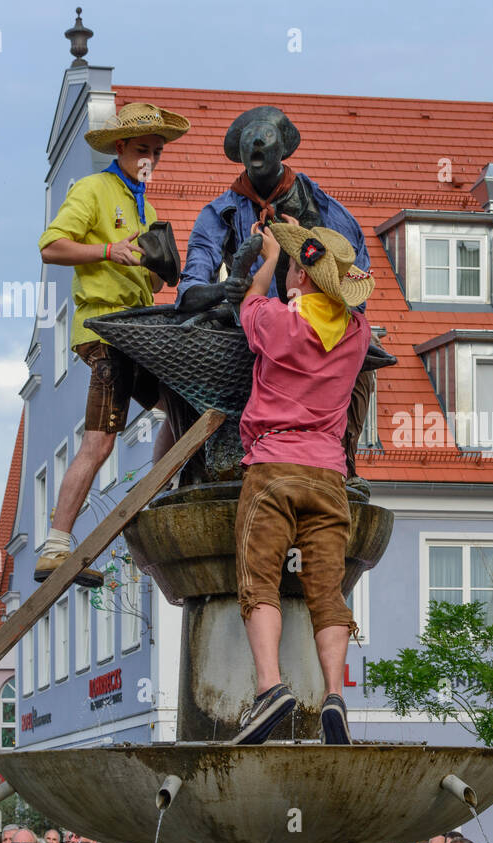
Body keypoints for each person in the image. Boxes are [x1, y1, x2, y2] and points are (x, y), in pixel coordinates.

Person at [175, 105, 379, 492]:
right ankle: (198, 466)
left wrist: (313, 319)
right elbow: (188, 294)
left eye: (265, 144)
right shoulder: (219, 213)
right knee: (183, 356)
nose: (257, 153)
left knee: (365, 359)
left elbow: (357, 280)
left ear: (283, 149)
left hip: (311, 327)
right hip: (248, 329)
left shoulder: (325, 208)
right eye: (249, 148)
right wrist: (225, 290)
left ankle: (346, 461)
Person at [228, 218, 373, 745]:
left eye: (296, 266)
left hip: (273, 468)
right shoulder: (357, 334)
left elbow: (249, 303)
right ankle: (334, 695)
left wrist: (270, 258)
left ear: (302, 278)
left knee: (258, 580)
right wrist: (308, 249)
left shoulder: (276, 322)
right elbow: (338, 301)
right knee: (328, 591)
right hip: (328, 477)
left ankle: (271, 688)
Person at [35, 101, 190, 587]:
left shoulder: (147, 207)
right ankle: (55, 547)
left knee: (183, 406)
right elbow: (51, 247)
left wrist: (162, 269)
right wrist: (109, 250)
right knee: (100, 439)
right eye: (144, 149)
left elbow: (151, 281)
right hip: (106, 332)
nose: (151, 159)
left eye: (157, 151)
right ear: (119, 147)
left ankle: (158, 494)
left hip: (137, 333)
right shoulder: (92, 189)